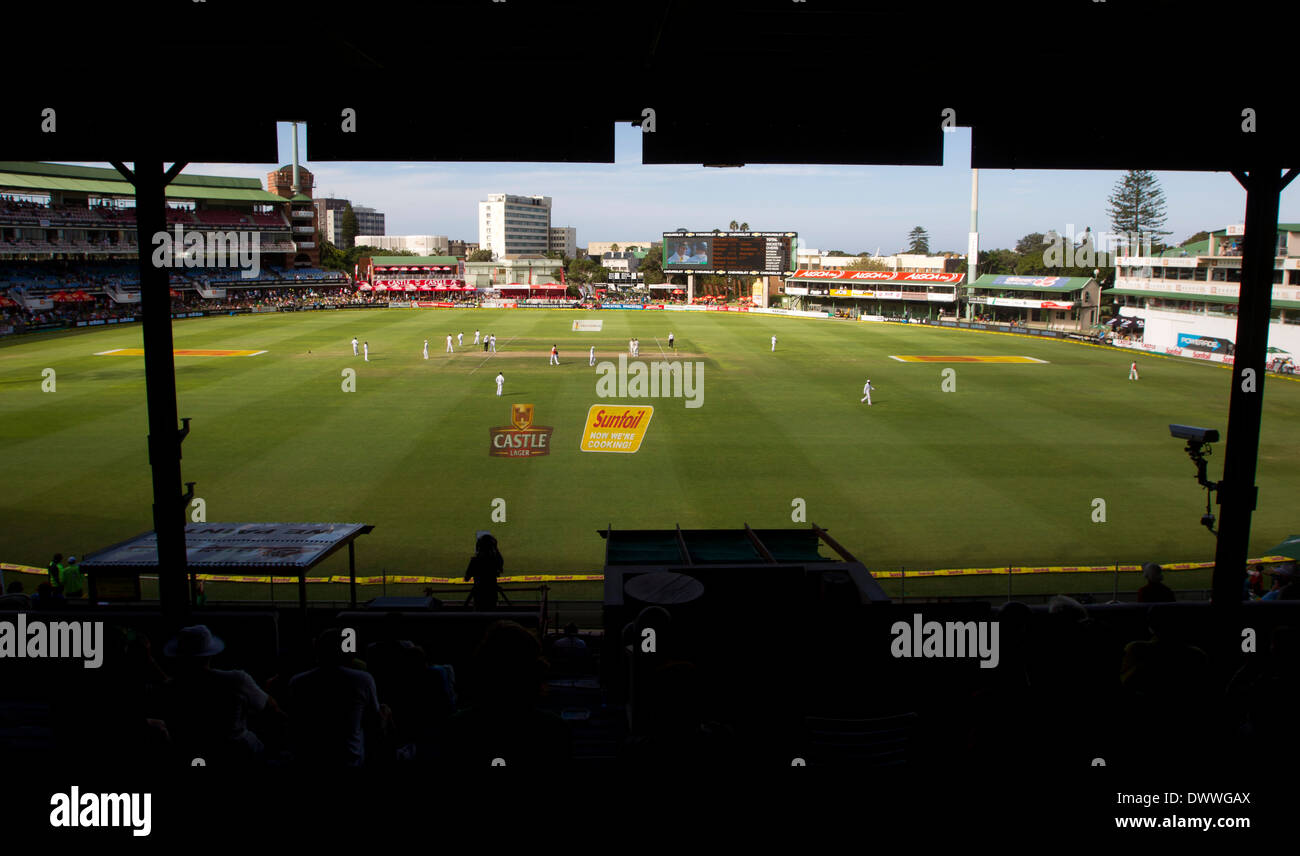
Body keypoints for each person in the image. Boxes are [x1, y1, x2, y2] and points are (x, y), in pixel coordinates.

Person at [286, 627, 388, 768]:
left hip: (307, 760)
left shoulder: (297, 682)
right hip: (350, 761)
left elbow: (293, 724)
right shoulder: (363, 679)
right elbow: (375, 724)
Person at [465, 532, 504, 611]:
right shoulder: (495, 561)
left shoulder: (475, 561)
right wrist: (496, 548)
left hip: (479, 595)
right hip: (492, 594)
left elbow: (467, 578)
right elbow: (500, 563)